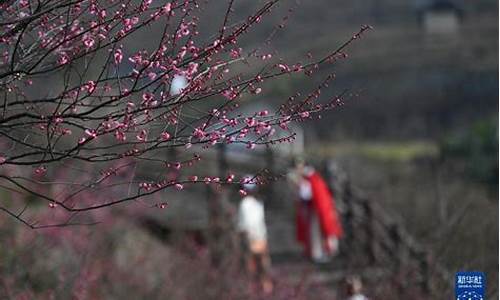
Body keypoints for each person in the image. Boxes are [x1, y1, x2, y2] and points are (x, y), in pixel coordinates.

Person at [291, 161, 343, 263]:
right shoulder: (315, 178)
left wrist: (297, 185)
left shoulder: (309, 179)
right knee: (321, 231)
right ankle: (322, 252)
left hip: (315, 210)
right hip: (319, 208)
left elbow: (305, 195)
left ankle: (318, 254)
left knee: (316, 232)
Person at [237, 179, 273, 294]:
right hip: (260, 237)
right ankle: (265, 288)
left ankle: (255, 289)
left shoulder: (246, 204)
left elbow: (244, 225)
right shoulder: (257, 203)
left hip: (252, 239)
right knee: (262, 265)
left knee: (252, 266)